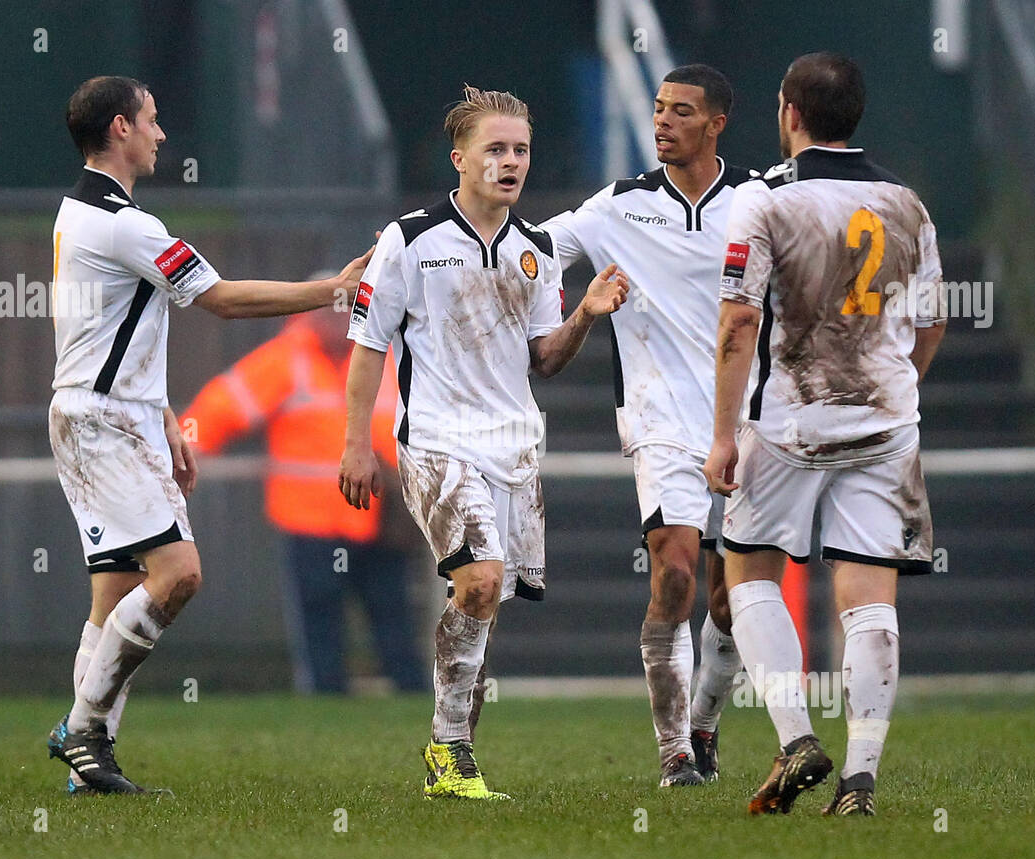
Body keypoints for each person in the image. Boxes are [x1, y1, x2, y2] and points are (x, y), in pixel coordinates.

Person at [45, 75, 371, 794]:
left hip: (109, 415)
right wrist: (333, 290)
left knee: (113, 597)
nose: (163, 135)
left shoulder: (83, 212)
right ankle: (82, 732)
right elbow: (221, 301)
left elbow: (103, 331)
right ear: (122, 129)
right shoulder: (126, 225)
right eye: (153, 121)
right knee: (179, 575)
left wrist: (160, 413)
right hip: (101, 424)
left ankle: (88, 766)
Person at [338, 85, 629, 800]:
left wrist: (587, 313)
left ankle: (453, 752)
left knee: (483, 601)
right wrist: (354, 444)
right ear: (459, 158)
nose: (510, 162)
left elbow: (545, 359)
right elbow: (368, 345)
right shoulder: (407, 240)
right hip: (437, 442)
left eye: (520, 150)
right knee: (481, 581)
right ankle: (448, 750)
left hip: (514, 450)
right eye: (494, 149)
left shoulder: (534, 253)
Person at [705, 53, 946, 816]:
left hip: (790, 423)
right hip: (885, 422)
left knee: (749, 575)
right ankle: (861, 783)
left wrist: (721, 435)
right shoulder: (906, 202)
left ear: (789, 112)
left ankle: (796, 737)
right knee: (871, 600)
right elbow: (932, 319)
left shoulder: (763, 198)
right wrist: (894, 391)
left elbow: (740, 320)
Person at [543, 65, 751, 787]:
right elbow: (530, 249)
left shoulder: (757, 204)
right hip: (661, 419)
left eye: (681, 112)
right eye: (658, 109)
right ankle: (674, 757)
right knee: (676, 570)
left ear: (716, 123)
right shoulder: (617, 208)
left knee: (735, 598)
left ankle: (704, 722)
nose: (662, 122)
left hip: (748, 422)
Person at [182, 292, 428, 694]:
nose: (338, 318)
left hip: (381, 522)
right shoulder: (286, 359)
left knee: (395, 619)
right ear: (307, 315)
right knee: (320, 625)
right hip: (312, 523)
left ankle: (418, 708)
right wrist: (177, 458)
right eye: (328, 309)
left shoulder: (386, 360)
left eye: (347, 308)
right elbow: (220, 407)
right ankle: (326, 705)